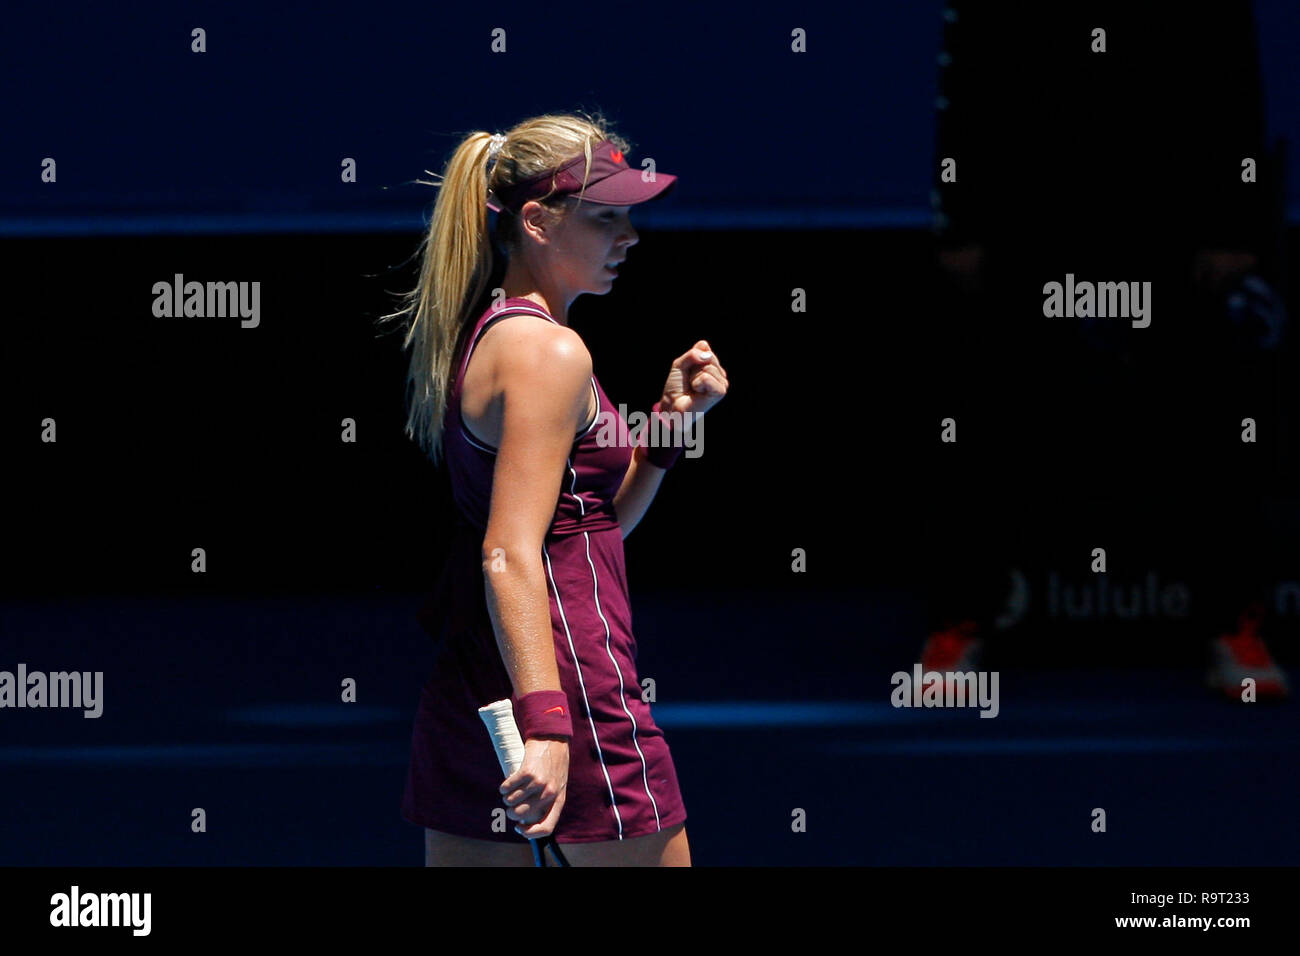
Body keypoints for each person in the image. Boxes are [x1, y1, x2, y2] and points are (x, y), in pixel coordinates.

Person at [380, 112, 729, 865]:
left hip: (476, 677)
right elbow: (508, 552)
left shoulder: (499, 333)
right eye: (606, 219)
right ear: (536, 221)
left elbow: (587, 527)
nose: (629, 238)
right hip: (571, 687)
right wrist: (547, 725)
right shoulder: (550, 351)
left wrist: (667, 428)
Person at [919, 1, 1289, 698]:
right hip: (1029, 214)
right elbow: (966, 81)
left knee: (1214, 417)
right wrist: (958, 218)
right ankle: (961, 622)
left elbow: (1232, 76)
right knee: (984, 415)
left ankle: (1233, 626)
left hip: (1172, 212)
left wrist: (1235, 224)